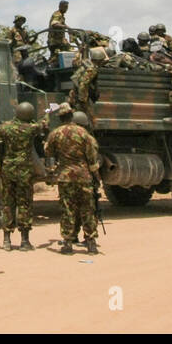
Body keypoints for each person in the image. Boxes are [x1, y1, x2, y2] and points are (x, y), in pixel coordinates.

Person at [44, 102, 101, 254]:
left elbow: (48, 154)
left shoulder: (55, 134)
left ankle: (68, 243)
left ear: (60, 117)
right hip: (84, 176)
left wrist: (51, 173)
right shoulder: (84, 134)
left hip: (65, 178)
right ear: (72, 115)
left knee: (68, 210)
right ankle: (91, 243)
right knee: (87, 209)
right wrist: (97, 177)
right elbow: (92, 159)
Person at [0, 101, 47, 251]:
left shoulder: (4, 128)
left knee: (7, 204)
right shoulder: (31, 128)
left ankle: (6, 240)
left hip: (7, 170)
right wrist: (47, 112)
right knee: (24, 204)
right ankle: (25, 241)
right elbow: (43, 124)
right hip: (24, 172)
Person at [70, 45, 107, 112]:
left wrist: (79, 52)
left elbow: (75, 63)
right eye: (101, 60)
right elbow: (83, 84)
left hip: (74, 92)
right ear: (98, 60)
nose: (102, 62)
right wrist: (83, 100)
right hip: (82, 95)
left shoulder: (85, 63)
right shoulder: (92, 69)